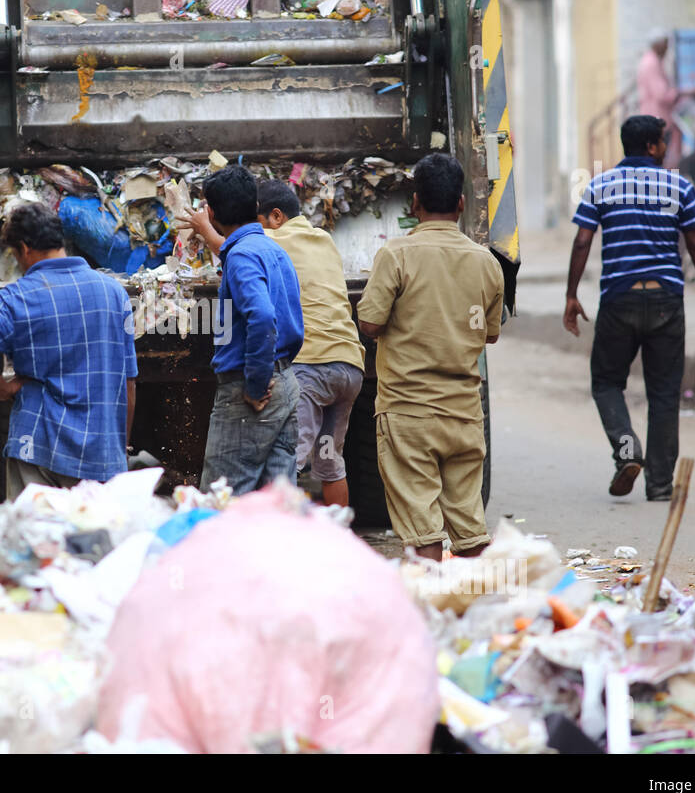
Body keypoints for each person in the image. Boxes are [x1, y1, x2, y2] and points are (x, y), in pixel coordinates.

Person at [564, 114, 695, 501]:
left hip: (619, 299)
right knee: (665, 394)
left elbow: (583, 242)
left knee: (606, 382)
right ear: (652, 147)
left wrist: (571, 295)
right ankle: (660, 485)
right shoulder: (678, 186)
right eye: (663, 142)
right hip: (667, 299)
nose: (665, 148)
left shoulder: (600, 187)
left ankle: (626, 450)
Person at [179, 179, 365, 506]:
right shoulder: (317, 240)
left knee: (226, 496)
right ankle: (334, 543)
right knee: (317, 470)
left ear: (275, 216)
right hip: (344, 366)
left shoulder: (255, 246)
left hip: (302, 370)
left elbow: (261, 314)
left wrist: (257, 382)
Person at [357, 153, 504, 562]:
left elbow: (369, 323)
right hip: (464, 416)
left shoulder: (396, 255)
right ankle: (477, 612)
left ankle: (433, 615)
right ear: (461, 204)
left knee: (423, 531)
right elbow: (490, 334)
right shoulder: (487, 262)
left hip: (408, 414)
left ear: (415, 202)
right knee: (470, 531)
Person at [0, 203, 136, 496]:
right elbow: (128, 382)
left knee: (36, 535)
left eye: (15, 254)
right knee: (95, 536)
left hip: (37, 445)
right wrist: (121, 447)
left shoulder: (16, 297)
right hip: (101, 452)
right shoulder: (114, 292)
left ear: (25, 249)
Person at [194, 165, 304, 495]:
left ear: (211, 212)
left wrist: (255, 385)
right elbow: (288, 319)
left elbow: (262, 316)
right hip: (285, 383)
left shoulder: (241, 255)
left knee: (220, 504)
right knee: (278, 510)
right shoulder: (273, 249)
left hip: (252, 392)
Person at [636, 29, 695, 169]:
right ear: (658, 44)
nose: (667, 48)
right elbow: (662, 94)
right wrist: (683, 94)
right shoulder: (651, 63)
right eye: (665, 44)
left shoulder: (653, 61)